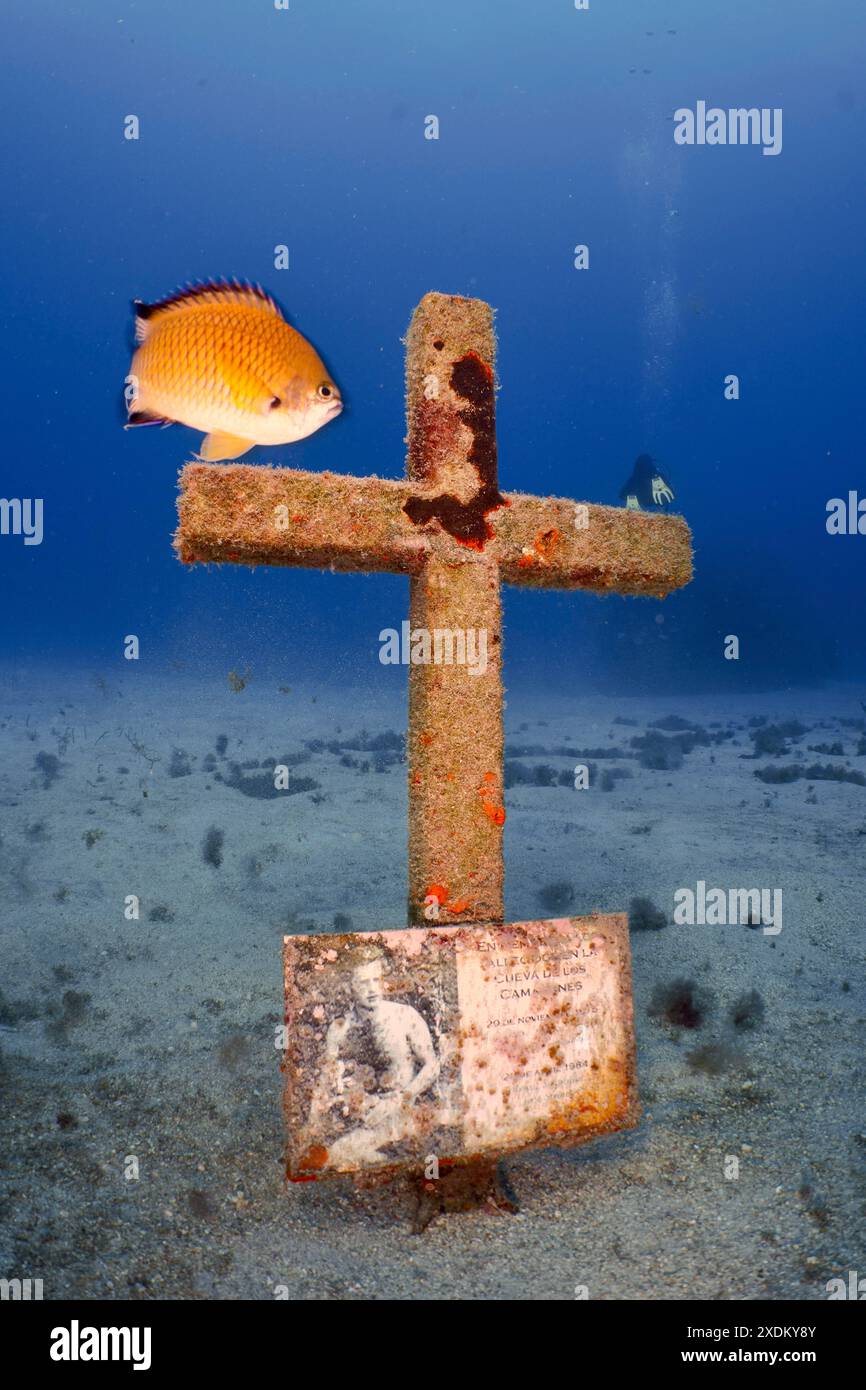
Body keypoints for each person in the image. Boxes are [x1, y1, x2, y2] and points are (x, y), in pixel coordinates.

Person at [308, 953, 440, 1167]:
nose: (372, 989)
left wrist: (401, 1099)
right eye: (363, 983)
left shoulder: (405, 1016)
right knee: (332, 1158)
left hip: (402, 1111)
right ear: (349, 987)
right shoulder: (340, 1028)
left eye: (376, 980)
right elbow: (326, 1079)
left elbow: (432, 1066)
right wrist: (311, 1125)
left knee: (342, 1154)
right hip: (363, 1116)